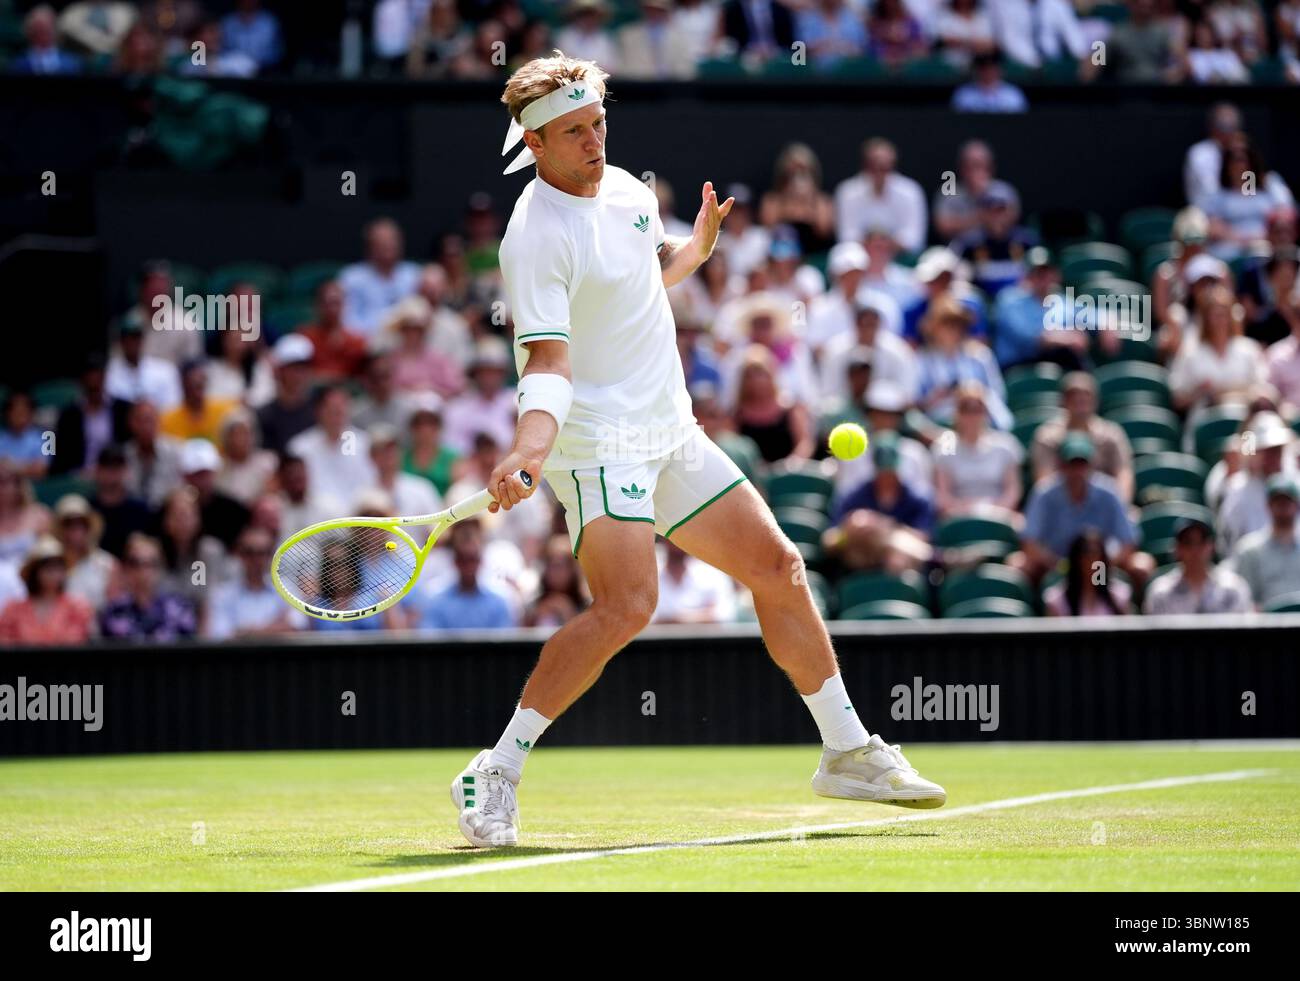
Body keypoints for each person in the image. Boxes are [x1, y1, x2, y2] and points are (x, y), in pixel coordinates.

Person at [452, 53, 945, 849]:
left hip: (670, 429)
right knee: (628, 606)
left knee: (780, 567)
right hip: (597, 444)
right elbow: (546, 364)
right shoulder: (531, 238)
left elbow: (644, 278)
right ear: (535, 143)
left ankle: (848, 750)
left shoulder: (629, 192)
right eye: (573, 132)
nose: (593, 141)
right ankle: (496, 769)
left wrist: (699, 252)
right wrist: (528, 449)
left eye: (598, 124)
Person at [1016, 432, 1152, 585]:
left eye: (1082, 464)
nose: (1077, 471)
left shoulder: (1109, 492)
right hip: (1055, 567)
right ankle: (1043, 607)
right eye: (1071, 464)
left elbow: (1128, 542)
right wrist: (1061, 566)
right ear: (1061, 465)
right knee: (1018, 565)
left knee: (1141, 565)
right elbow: (1029, 543)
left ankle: (1116, 605)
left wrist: (1098, 565)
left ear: (1092, 465)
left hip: (1100, 568)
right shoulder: (1044, 493)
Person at [1030, 372, 1135, 503]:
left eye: (1086, 399)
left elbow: (1124, 473)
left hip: (1105, 507)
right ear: (1064, 401)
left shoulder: (1112, 434)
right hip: (1060, 509)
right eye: (1075, 399)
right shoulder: (1047, 436)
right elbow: (1044, 482)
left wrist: (1118, 506)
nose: (1081, 405)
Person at [932, 382, 1023, 518]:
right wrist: (966, 511)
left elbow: (1013, 490)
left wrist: (994, 510)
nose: (972, 415)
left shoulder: (1005, 443)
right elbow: (942, 494)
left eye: (977, 409)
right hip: (957, 517)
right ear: (956, 412)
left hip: (1001, 514)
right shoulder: (946, 443)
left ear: (986, 412)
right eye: (965, 408)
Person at [205, 525, 303, 639]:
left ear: (271, 556)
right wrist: (277, 626)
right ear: (239, 555)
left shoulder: (288, 589)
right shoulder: (222, 594)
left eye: (262, 553)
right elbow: (220, 635)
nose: (256, 559)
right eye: (249, 552)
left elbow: (297, 627)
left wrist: (243, 632)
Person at [417, 519, 516, 630]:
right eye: (463, 560)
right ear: (455, 561)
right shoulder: (434, 598)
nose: (469, 567)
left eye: (473, 559)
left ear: (481, 560)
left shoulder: (499, 600)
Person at [99, 533, 198, 641]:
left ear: (161, 567)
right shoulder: (114, 612)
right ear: (125, 568)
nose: (143, 571)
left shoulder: (179, 609)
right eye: (135, 563)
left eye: (151, 564)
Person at [1143, 517, 1252, 614]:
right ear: (1177, 549)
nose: (1195, 550)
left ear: (1212, 546)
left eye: (1201, 542)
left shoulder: (1233, 588)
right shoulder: (1160, 592)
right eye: (1188, 542)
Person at [0, 536, 95, 645]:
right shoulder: (13, 609)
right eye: (48, 568)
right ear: (35, 572)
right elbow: (5, 641)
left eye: (59, 567)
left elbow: (77, 640)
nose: (54, 574)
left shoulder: (78, 606)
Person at [1230, 474, 1300, 608]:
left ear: (1297, 505)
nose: (1283, 507)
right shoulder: (1249, 551)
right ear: (1268, 506)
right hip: (1266, 627)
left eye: (1287, 502)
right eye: (1278, 502)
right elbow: (1245, 603)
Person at [53, 493, 121, 612]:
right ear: (60, 528)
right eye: (69, 523)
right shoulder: (48, 565)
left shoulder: (107, 564)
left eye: (82, 523)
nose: (77, 529)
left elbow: (114, 606)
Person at [1043, 530, 1132, 617]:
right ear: (1076, 559)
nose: (1092, 560)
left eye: (1097, 554)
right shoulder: (1057, 601)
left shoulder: (1119, 597)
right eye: (1086, 553)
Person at [653, 538, 737, 623]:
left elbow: (724, 612)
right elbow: (647, 617)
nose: (675, 541)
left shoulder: (712, 573)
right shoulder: (649, 573)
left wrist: (679, 619)